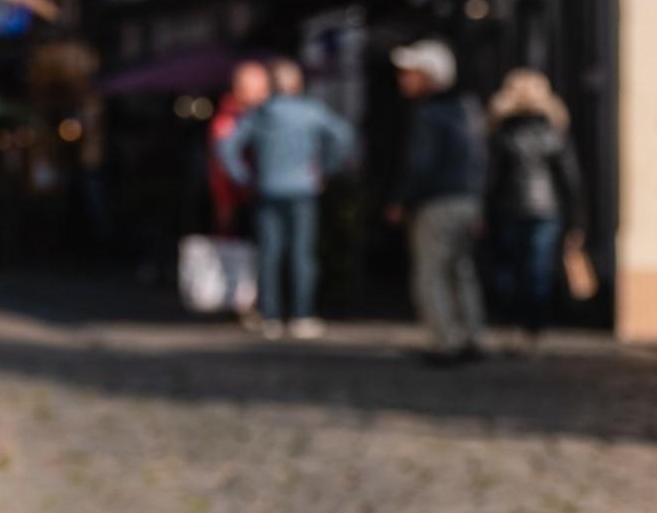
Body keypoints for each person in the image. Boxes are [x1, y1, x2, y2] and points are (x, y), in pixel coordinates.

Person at [218, 58, 354, 340]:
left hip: (268, 189)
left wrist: (245, 176)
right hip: (303, 189)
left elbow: (226, 147)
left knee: (270, 255)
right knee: (302, 255)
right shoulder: (310, 111)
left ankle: (271, 316)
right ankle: (302, 315)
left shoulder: (260, 114)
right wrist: (325, 169)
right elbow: (344, 135)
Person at [386, 39, 488, 363]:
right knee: (463, 270)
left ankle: (444, 341)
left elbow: (421, 163)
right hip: (467, 199)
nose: (403, 80)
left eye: (410, 73)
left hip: (437, 201)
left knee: (433, 273)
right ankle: (472, 336)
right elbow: (482, 159)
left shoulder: (429, 114)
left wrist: (401, 199)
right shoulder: (469, 108)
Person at [484, 68, 584, 345]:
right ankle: (534, 325)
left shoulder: (501, 132)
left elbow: (492, 177)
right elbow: (570, 179)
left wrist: (485, 209)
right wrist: (577, 218)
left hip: (509, 207)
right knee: (537, 269)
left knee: (511, 267)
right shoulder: (554, 131)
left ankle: (513, 321)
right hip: (547, 208)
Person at [207, 60, 270, 239]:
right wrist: (246, 180)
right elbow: (224, 158)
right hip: (237, 199)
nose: (265, 94)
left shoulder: (257, 116)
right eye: (260, 89)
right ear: (240, 89)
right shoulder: (229, 119)